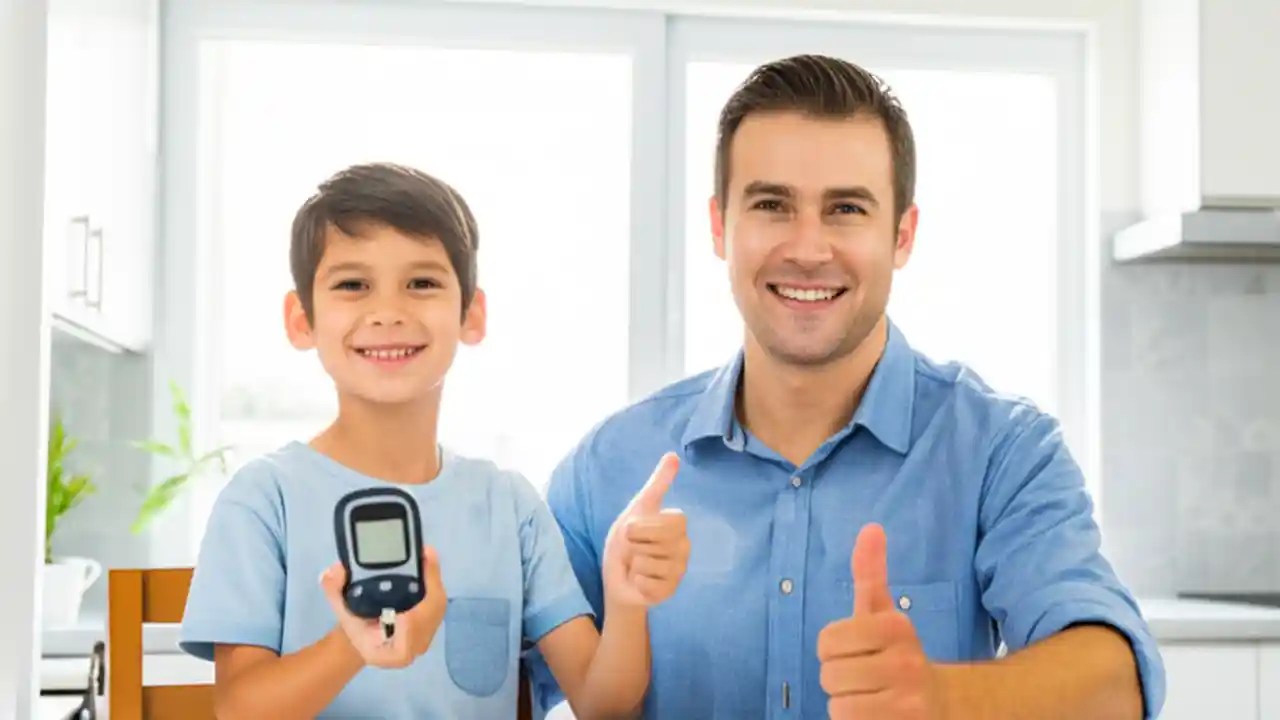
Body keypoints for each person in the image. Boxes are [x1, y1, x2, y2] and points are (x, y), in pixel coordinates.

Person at [529, 55, 1165, 719]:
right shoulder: (607, 469)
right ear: (721, 226)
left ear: (902, 235)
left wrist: (942, 697)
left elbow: (1116, 682)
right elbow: (501, 690)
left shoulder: (1001, 453)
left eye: (846, 209)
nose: (808, 247)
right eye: (772, 205)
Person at [178, 162, 691, 719]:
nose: (388, 313)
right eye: (353, 285)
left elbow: (604, 706)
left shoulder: (510, 506)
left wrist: (626, 602)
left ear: (471, 314)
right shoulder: (263, 498)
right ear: (302, 319)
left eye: (421, 283)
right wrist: (353, 646)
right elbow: (239, 709)